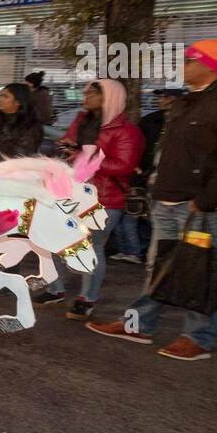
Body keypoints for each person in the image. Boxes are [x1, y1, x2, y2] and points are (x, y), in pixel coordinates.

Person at [87, 37, 217, 361]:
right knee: (159, 269)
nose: (183, 66)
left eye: (189, 61)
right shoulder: (185, 102)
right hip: (168, 201)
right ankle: (138, 324)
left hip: (207, 208)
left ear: (208, 65)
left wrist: (205, 201)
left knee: (201, 273)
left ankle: (199, 338)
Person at [38, 79, 145, 316]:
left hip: (104, 198)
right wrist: (64, 152)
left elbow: (124, 166)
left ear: (110, 97)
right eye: (85, 92)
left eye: (92, 93)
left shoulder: (128, 131)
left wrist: (83, 158)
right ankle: (56, 289)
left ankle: (87, 298)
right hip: (68, 193)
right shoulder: (81, 121)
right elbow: (67, 147)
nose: (85, 96)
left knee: (92, 248)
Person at [112, 87, 182, 263]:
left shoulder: (183, 121)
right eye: (160, 97)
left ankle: (153, 251)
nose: (160, 100)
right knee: (142, 212)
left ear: (175, 99)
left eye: (165, 97)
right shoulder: (151, 120)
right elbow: (139, 145)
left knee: (154, 217)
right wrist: (136, 166)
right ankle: (140, 250)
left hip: (169, 177)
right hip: (146, 174)